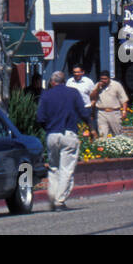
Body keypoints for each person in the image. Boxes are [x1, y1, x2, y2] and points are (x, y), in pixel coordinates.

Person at [35, 71, 91, 211]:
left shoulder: (46, 95)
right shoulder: (73, 93)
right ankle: (60, 201)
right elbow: (84, 113)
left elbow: (40, 118)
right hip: (68, 133)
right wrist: (92, 128)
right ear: (64, 81)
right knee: (66, 169)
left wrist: (48, 128)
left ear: (52, 82)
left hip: (52, 134)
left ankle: (53, 198)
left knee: (54, 168)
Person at [92, 70, 129, 137]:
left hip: (114, 112)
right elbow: (92, 97)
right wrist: (97, 88)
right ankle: (103, 147)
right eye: (102, 79)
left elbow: (124, 100)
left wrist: (124, 111)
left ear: (109, 78)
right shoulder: (98, 85)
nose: (103, 81)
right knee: (102, 135)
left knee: (117, 133)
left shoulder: (116, 85)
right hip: (101, 113)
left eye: (105, 79)